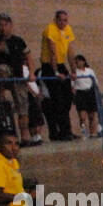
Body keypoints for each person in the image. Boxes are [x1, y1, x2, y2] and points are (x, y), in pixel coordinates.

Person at [0, 13, 40, 145]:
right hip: (2, 75)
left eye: (5, 25)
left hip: (18, 76)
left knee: (22, 107)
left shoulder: (18, 41)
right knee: (2, 70)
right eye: (0, 25)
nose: (3, 28)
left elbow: (29, 57)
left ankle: (25, 137)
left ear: (10, 25)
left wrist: (31, 73)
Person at [39, 10, 76, 141]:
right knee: (58, 99)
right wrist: (55, 73)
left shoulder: (68, 30)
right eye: (61, 20)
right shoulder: (51, 29)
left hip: (60, 64)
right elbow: (52, 52)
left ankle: (67, 129)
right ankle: (62, 132)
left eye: (66, 20)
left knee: (68, 97)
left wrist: (73, 71)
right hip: (49, 65)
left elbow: (70, 51)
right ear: (56, 19)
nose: (63, 23)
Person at [71, 54, 99, 139]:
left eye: (79, 61)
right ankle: (84, 133)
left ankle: (92, 133)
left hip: (90, 92)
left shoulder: (90, 71)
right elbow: (72, 85)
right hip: (80, 93)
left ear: (83, 61)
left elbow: (95, 82)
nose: (78, 63)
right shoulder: (75, 73)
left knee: (91, 116)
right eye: (76, 62)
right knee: (82, 117)